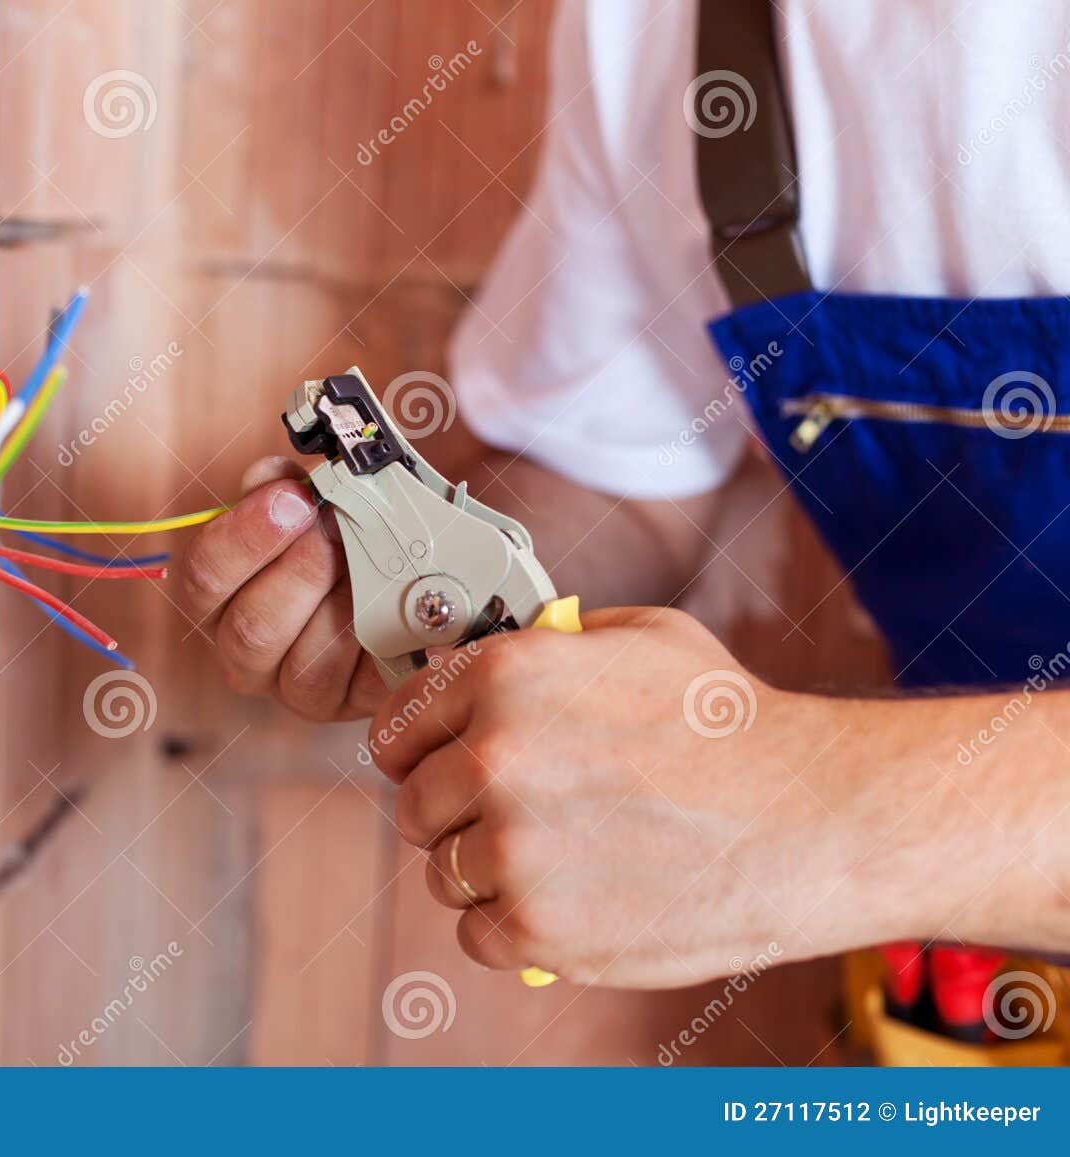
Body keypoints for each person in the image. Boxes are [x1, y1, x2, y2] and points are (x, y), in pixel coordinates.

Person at [176, 0, 1070, 1020]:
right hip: (987, 992)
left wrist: (821, 810)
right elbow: (622, 484)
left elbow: (821, 818)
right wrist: (419, 574)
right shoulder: (670, 28)